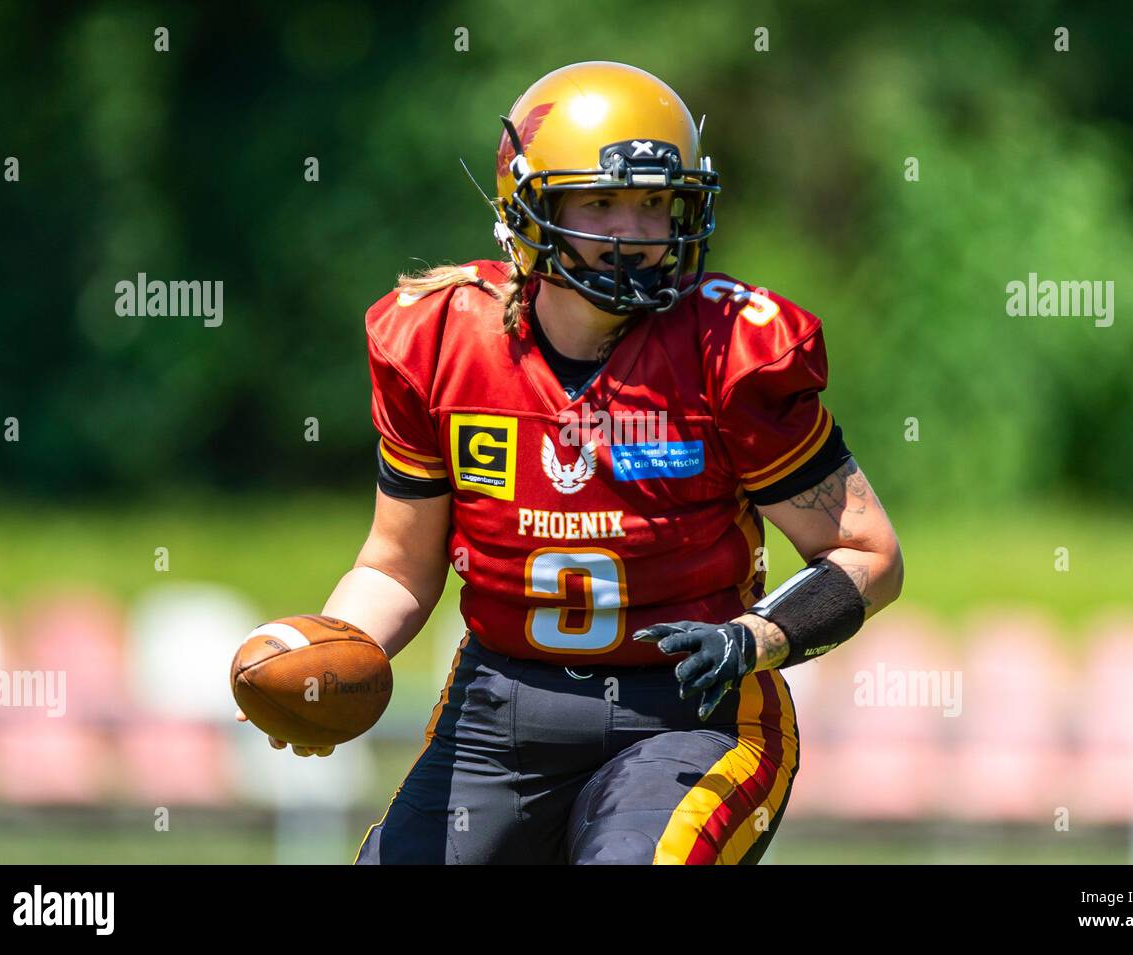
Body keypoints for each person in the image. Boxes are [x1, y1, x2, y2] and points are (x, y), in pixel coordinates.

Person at [245, 60, 903, 864]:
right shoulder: (444, 341)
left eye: (656, 203)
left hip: (690, 715)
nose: (635, 228)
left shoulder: (728, 350)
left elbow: (866, 553)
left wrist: (753, 638)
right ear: (529, 207)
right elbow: (397, 566)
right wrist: (329, 649)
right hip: (505, 704)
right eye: (601, 201)